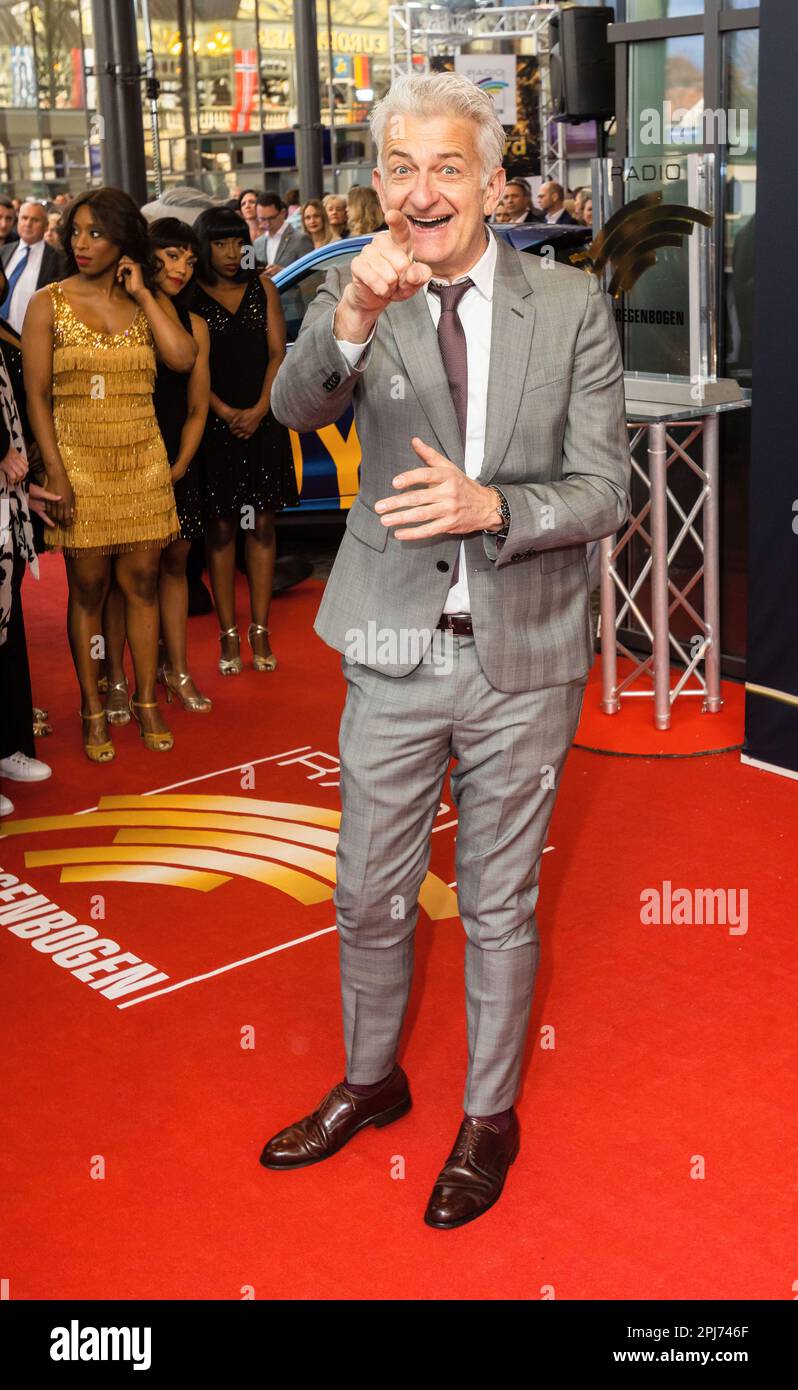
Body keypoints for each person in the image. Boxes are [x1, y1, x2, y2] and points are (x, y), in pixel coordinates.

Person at [265, 71, 630, 1229]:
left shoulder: (570, 304)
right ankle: (372, 1081)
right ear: (378, 182)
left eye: (448, 168)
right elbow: (292, 407)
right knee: (366, 894)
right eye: (402, 169)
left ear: (491, 180)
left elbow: (604, 487)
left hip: (523, 651)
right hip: (390, 643)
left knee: (498, 900)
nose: (424, 193)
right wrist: (357, 317)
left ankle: (488, 1114)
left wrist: (495, 511)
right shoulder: (350, 287)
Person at [23, 187, 197, 761]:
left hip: (142, 460)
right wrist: (56, 472)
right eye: (75, 232)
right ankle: (93, 706)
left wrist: (145, 294)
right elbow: (38, 397)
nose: (81, 244)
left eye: (96, 233)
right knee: (90, 589)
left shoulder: (143, 299)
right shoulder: (48, 302)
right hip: (78, 463)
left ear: (125, 240)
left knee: (143, 585)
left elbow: (182, 358)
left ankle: (146, 699)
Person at [102, 217, 212, 720]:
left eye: (190, 260)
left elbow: (195, 407)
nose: (182, 268)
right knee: (125, 577)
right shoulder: (118, 315)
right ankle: (117, 677)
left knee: (175, 567)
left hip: (177, 463)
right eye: (172, 255)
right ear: (148, 255)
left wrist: (182, 464)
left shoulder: (194, 326)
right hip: (124, 464)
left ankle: (177, 669)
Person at [192, 206, 299, 675]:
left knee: (262, 528)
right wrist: (224, 411)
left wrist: (258, 410)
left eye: (239, 242)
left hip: (263, 419)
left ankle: (261, 630)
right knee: (219, 532)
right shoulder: (190, 296)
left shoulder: (264, 288)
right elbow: (191, 367)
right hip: (213, 425)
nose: (233, 253)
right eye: (220, 244)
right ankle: (228, 635)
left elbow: (278, 352)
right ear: (204, 247)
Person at [0, 258, 58, 815]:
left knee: (8, 631)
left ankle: (8, 745)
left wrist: (23, 486)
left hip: (5, 509)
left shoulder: (2, 332)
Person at [0, 201, 65, 334]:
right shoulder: (3, 252)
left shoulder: (59, 260)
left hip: (35, 339)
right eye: (24, 218)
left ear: (46, 226)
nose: (28, 224)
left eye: (35, 220)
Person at [253, 194, 312, 275]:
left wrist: (284, 272)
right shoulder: (258, 243)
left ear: (283, 213)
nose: (267, 223)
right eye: (262, 219)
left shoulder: (301, 239)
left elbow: (311, 275)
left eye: (271, 218)